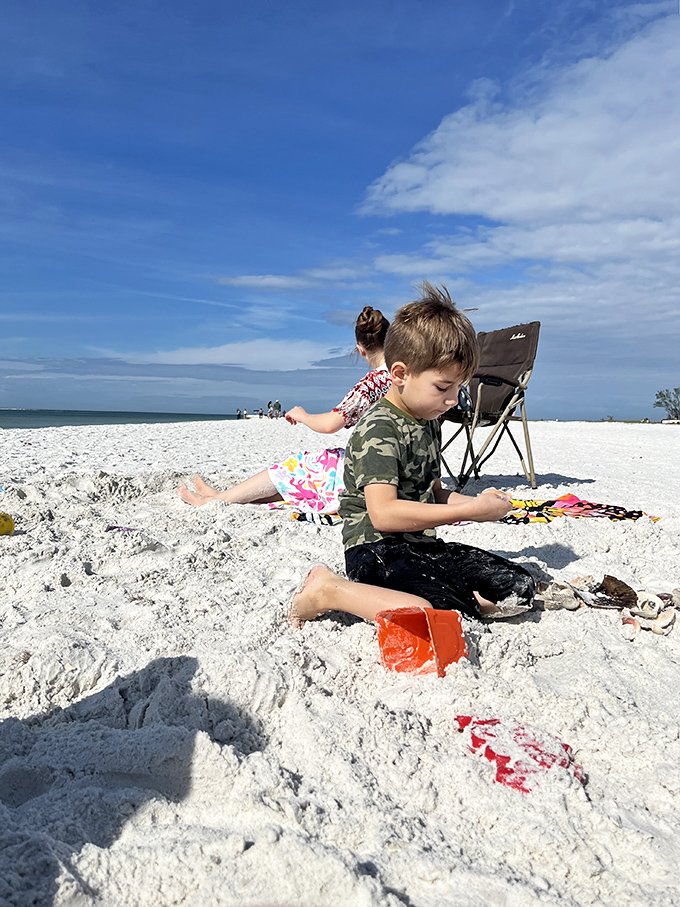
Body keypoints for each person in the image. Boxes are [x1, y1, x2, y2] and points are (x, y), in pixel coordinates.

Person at [290, 282, 536, 625]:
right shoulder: (380, 428)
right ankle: (329, 590)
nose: (452, 400)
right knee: (440, 615)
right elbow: (384, 515)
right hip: (376, 550)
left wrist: (479, 505)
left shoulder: (428, 420)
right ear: (400, 374)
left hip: (420, 545)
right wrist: (466, 514)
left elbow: (434, 494)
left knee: (520, 588)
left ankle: (464, 601)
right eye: (442, 387)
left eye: (458, 388)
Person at [176, 306, 391, 509]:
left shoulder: (373, 382)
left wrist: (303, 415)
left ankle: (218, 499)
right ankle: (219, 495)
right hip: (401, 467)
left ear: (360, 350)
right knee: (311, 474)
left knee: (307, 463)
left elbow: (330, 424)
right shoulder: (406, 376)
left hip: (376, 475)